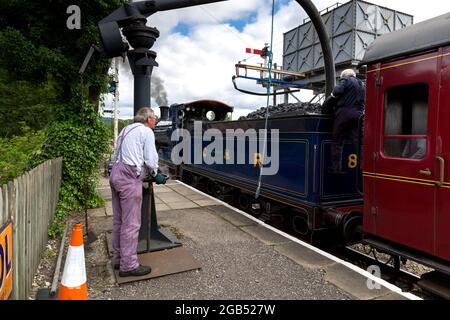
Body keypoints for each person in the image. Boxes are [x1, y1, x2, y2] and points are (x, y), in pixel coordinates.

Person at [109, 107, 166, 277]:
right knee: (131, 223)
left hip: (115, 174)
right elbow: (150, 157)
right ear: (148, 119)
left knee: (119, 221)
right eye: (154, 118)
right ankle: (129, 265)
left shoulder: (126, 129)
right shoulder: (146, 132)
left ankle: (119, 258)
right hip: (128, 177)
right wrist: (156, 174)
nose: (155, 121)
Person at [323, 69, 365, 174]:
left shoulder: (345, 80)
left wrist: (327, 103)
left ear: (344, 76)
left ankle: (336, 168)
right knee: (358, 142)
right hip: (358, 116)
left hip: (344, 114)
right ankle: (363, 167)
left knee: (337, 141)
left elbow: (336, 92)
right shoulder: (362, 84)